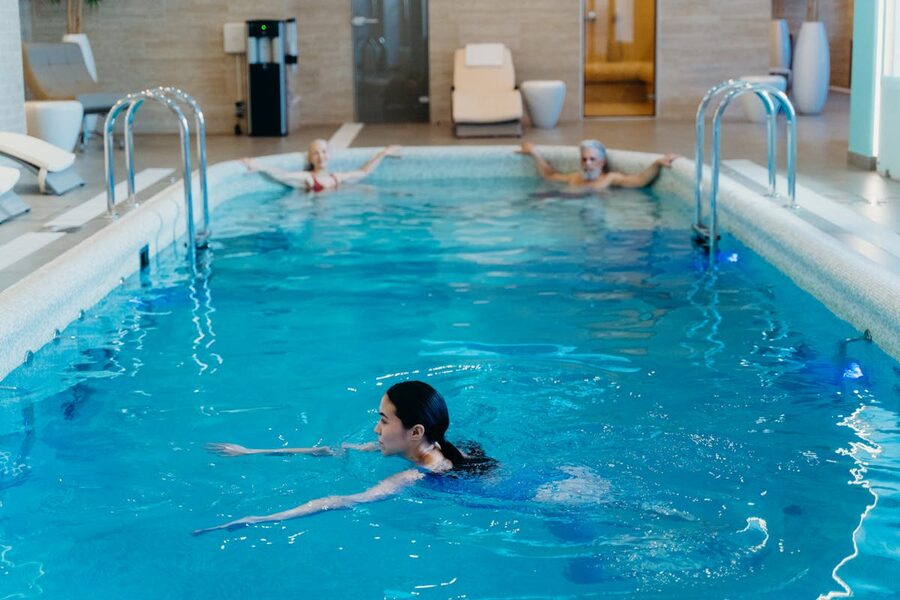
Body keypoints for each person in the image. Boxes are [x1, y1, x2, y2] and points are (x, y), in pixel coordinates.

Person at [193, 381, 492, 535]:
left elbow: (342, 500)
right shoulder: (438, 446)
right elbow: (333, 450)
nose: (376, 429)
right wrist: (252, 452)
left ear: (414, 432)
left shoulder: (415, 476)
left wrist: (259, 518)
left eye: (384, 421)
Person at [241, 138, 401, 192]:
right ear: (310, 158)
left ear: (329, 155)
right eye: (316, 153)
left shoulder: (336, 177)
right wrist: (257, 165)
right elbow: (283, 175)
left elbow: (363, 172)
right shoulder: (308, 179)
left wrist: (383, 153)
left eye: (324, 152)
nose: (321, 156)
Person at [519, 140, 678, 190]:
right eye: (584, 159)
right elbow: (549, 175)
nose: (587, 163)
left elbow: (639, 181)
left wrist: (657, 163)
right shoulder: (574, 177)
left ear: (602, 162)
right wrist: (534, 153)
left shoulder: (609, 179)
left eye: (592, 159)